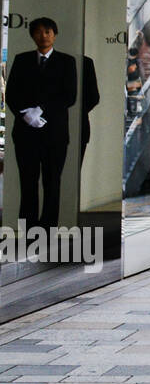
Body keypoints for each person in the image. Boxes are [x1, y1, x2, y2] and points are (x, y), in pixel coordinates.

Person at [4, 17, 77, 228]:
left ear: (54, 34)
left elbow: (69, 96)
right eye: (38, 32)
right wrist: (25, 114)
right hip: (25, 133)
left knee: (52, 182)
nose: (43, 36)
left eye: (47, 32)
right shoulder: (21, 59)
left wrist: (41, 110)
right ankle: (28, 229)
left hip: (54, 133)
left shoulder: (66, 61)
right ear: (32, 35)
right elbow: (12, 95)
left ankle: (48, 229)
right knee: (27, 182)